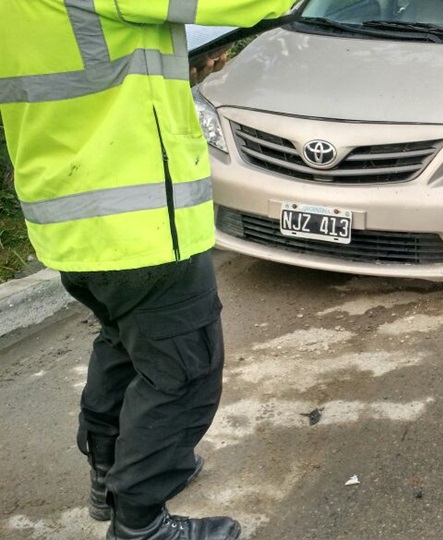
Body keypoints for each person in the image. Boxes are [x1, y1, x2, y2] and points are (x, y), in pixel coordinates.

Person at [0, 1, 296, 539]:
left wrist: (171, 69)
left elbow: (94, 69)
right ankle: (139, 521)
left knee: (123, 346)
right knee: (183, 374)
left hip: (72, 220)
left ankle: (108, 473)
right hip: (141, 226)